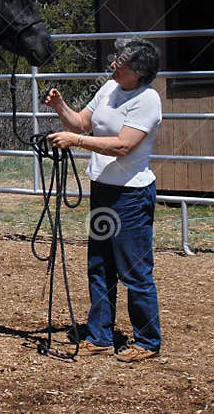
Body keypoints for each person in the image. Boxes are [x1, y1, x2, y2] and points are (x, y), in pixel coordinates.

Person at [45, 37, 163, 363]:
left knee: (135, 270)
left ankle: (148, 339)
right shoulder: (109, 89)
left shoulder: (147, 99)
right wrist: (60, 107)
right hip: (103, 189)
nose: (113, 65)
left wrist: (76, 141)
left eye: (120, 63)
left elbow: (123, 145)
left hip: (130, 194)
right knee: (99, 266)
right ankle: (99, 335)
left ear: (137, 72)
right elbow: (81, 122)